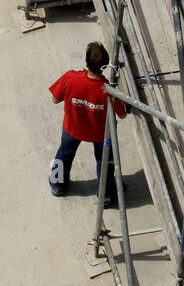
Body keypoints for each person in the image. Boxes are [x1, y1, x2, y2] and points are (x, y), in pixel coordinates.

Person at [48, 42, 126, 207]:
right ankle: (105, 195)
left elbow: (55, 99)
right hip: (101, 134)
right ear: (105, 65)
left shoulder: (70, 78)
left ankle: (57, 186)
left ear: (86, 62)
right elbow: (123, 114)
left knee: (63, 155)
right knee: (105, 162)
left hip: (72, 128)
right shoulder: (108, 90)